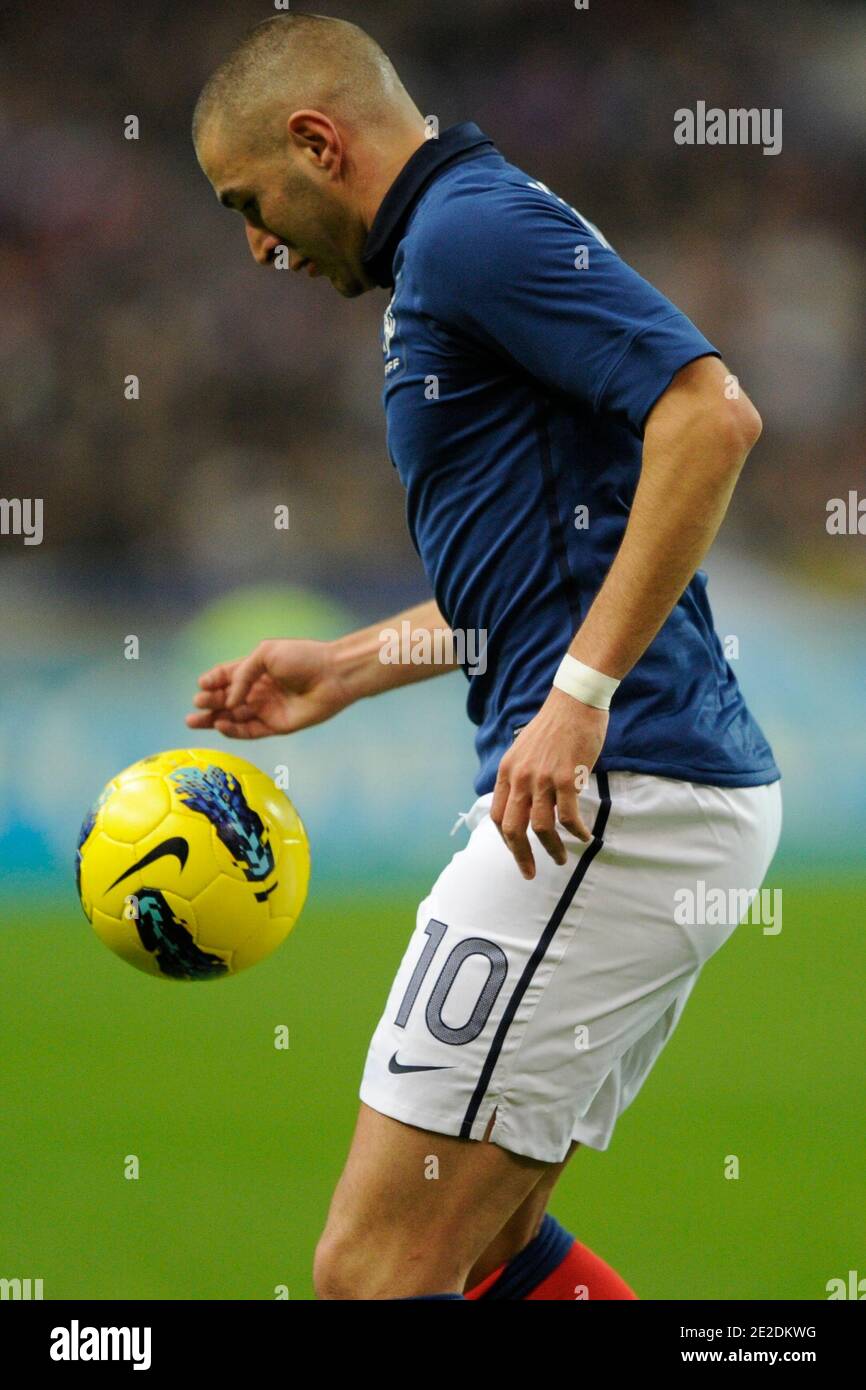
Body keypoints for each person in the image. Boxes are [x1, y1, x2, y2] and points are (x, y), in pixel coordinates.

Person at [188, 13, 781, 1300]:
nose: (256, 243)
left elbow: (709, 417)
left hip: (610, 798)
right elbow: (542, 571)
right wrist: (347, 665)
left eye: (250, 201)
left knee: (368, 1270)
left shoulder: (469, 233)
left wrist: (577, 701)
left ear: (316, 140)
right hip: (645, 789)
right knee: (485, 1250)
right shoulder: (464, 237)